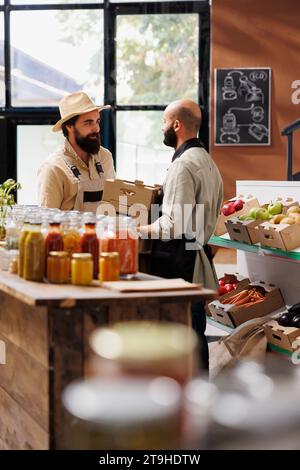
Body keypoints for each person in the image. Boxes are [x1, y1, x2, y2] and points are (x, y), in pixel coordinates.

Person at [138, 99, 223, 370]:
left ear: (176, 125)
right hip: (195, 261)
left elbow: (173, 224)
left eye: (164, 122)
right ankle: (199, 399)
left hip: (179, 267)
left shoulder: (183, 165)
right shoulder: (209, 163)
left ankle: (181, 403)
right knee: (194, 337)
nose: (162, 127)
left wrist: (136, 229)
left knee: (178, 341)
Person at [38, 91, 115, 212]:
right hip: (70, 232)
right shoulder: (53, 168)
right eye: (88, 123)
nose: (96, 129)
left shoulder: (105, 157)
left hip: (105, 231)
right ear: (69, 126)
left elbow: (113, 205)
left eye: (97, 121)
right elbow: (47, 223)